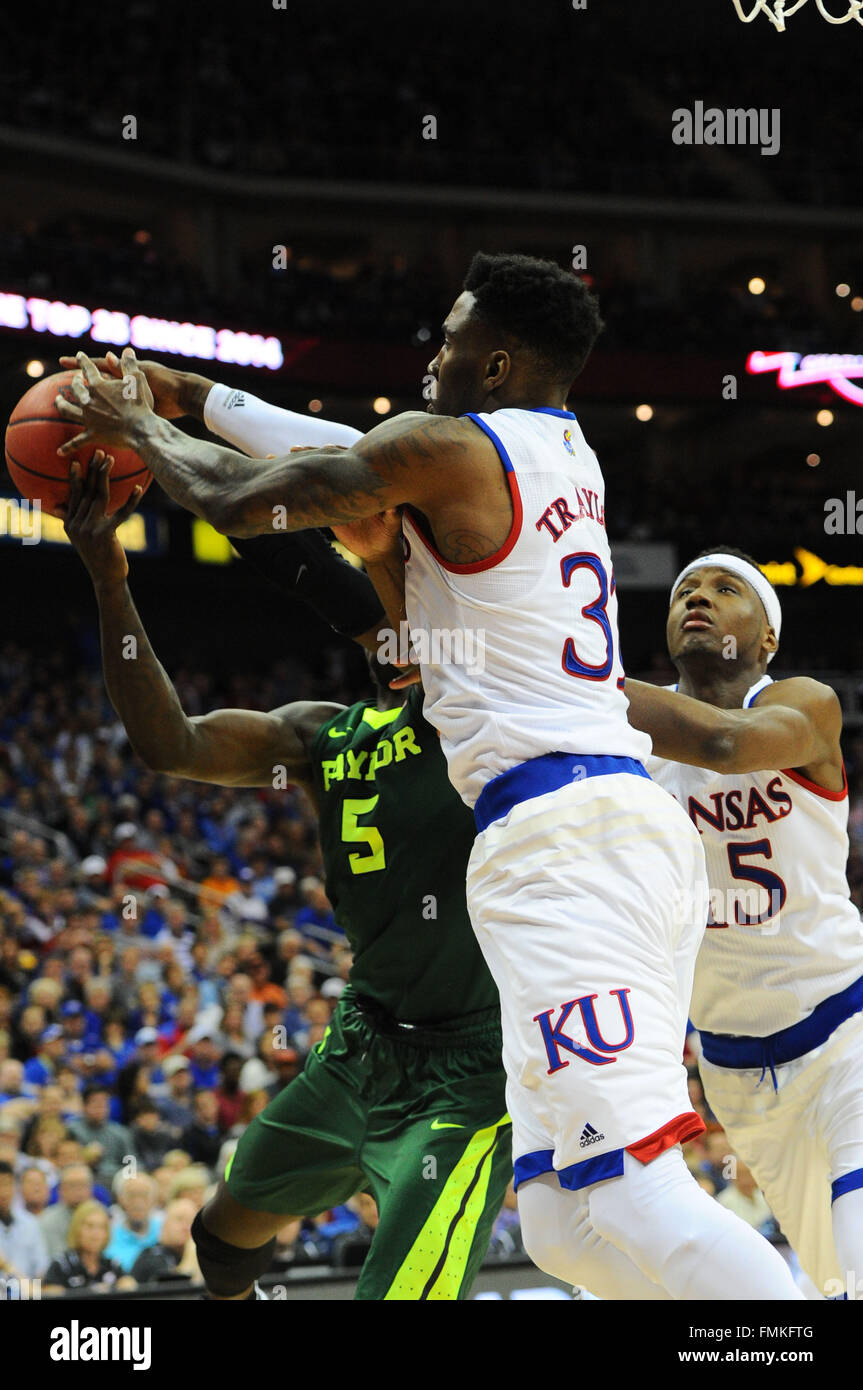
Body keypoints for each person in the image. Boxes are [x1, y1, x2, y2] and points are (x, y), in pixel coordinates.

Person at [57, 253, 803, 1299]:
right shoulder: (553, 452)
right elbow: (346, 455)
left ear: (491, 362)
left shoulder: (447, 454)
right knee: (560, 1223)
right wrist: (191, 396)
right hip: (586, 835)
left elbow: (253, 499)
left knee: (633, 1195)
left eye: (447, 338)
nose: (429, 355)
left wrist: (139, 428)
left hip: (566, 839)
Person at [60, 459, 510, 1302]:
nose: (394, 630)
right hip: (361, 1043)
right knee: (220, 1238)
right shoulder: (321, 738)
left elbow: (335, 588)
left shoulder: (495, 726)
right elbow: (170, 745)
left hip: (472, 1069)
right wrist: (110, 576)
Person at [622, 547, 863, 1298]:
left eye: (725, 590)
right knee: (825, 1283)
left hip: (843, 1038)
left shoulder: (802, 702)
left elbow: (724, 745)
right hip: (734, 1072)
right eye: (684, 591)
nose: (697, 598)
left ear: (765, 638)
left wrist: (564, 676)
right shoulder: (630, 750)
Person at [43, 1199, 134, 1294]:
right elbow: (51, 1293)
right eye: (90, 1226)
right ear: (77, 1229)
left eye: (101, 1227)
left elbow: (130, 1286)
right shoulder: (62, 1265)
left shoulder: (112, 1265)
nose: (95, 1234)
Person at [129, 1197, 199, 1283]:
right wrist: (190, 1257)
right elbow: (175, 1291)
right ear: (164, 1224)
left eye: (191, 1221)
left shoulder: (201, 1256)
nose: (186, 1227)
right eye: (179, 1219)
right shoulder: (150, 1257)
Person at [0, 1160, 48, 1279]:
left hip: (28, 1293)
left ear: (15, 1187)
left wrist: (34, 1292)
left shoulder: (30, 1223)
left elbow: (41, 1268)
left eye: (6, 1184)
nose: (3, 1191)